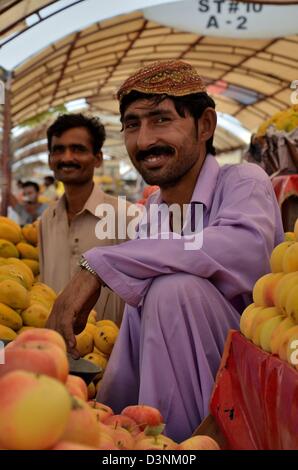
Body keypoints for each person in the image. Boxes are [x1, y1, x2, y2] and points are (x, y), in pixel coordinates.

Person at [47, 60, 284, 441]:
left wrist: (97, 266)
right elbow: (140, 331)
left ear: (205, 125)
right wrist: (108, 416)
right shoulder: (152, 212)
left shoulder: (242, 181)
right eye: (132, 125)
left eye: (160, 120)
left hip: (248, 390)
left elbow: (240, 250)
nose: (143, 141)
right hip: (162, 414)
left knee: (176, 289)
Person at [39, 113, 131, 325]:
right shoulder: (47, 219)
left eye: (78, 149)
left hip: (107, 349)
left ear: (97, 158)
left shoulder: (125, 216)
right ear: (50, 160)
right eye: (58, 150)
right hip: (55, 348)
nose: (67, 157)